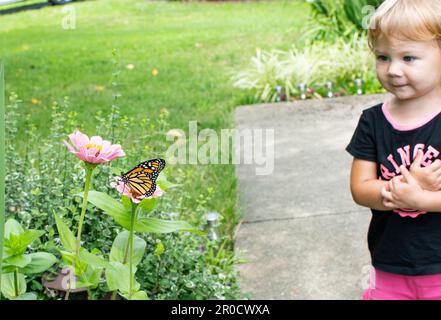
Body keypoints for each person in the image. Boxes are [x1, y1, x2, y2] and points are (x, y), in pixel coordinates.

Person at [346, 0, 441, 300]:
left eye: (409, 57)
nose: (393, 70)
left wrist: (420, 198)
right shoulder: (373, 121)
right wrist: (400, 189)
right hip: (390, 265)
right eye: (383, 57)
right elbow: (361, 189)